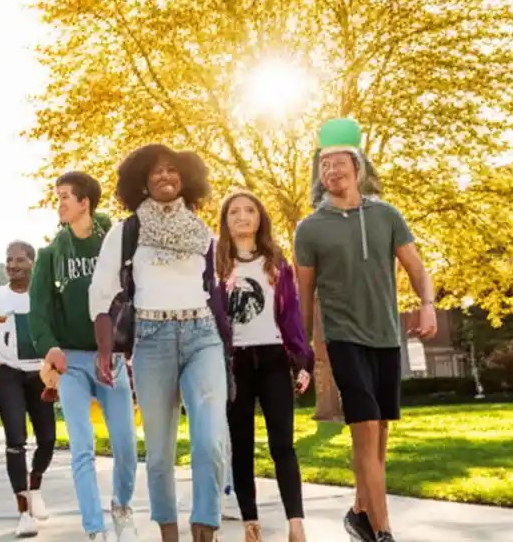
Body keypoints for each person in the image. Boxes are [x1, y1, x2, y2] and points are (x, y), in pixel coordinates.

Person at [294, 119, 437, 542]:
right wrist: (301, 349)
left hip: (386, 337)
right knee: (366, 427)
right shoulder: (310, 227)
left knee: (381, 434)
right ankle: (382, 530)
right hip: (342, 337)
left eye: (339, 163)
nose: (332, 172)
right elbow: (305, 293)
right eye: (324, 166)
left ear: (357, 167)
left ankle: (360, 510)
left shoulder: (387, 215)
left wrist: (427, 305)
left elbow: (416, 268)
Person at [90, 146, 232, 542]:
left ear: (186, 178)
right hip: (152, 340)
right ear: (143, 181)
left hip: (202, 336)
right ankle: (168, 531)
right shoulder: (127, 232)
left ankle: (206, 524)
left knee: (210, 438)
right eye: (156, 172)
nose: (165, 176)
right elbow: (102, 294)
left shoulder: (204, 233)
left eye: (173, 170)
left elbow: (217, 290)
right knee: (158, 453)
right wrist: (106, 350)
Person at [28, 172, 138, 542]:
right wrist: (50, 346)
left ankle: (122, 507)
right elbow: (38, 313)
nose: (58, 204)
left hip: (112, 358)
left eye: (64, 197)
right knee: (82, 446)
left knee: (124, 443)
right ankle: (95, 529)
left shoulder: (116, 243)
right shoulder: (49, 256)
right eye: (57, 197)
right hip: (72, 362)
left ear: (84, 203)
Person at [218, 190, 315, 542]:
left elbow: (291, 318)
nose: (242, 217)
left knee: (282, 444)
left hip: (273, 358)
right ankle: (250, 523)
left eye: (249, 211)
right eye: (234, 212)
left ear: (260, 218)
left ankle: (296, 522)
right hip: (235, 363)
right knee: (240, 443)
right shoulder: (216, 266)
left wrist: (302, 360)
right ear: (226, 221)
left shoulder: (276, 263)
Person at [0, 240, 56, 538]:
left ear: (32, 263)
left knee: (48, 439)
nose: (12, 265)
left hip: (40, 374)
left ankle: (35, 487)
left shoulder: (44, 297)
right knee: (16, 439)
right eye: (8, 260)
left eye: (19, 260)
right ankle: (23, 512)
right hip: (8, 373)